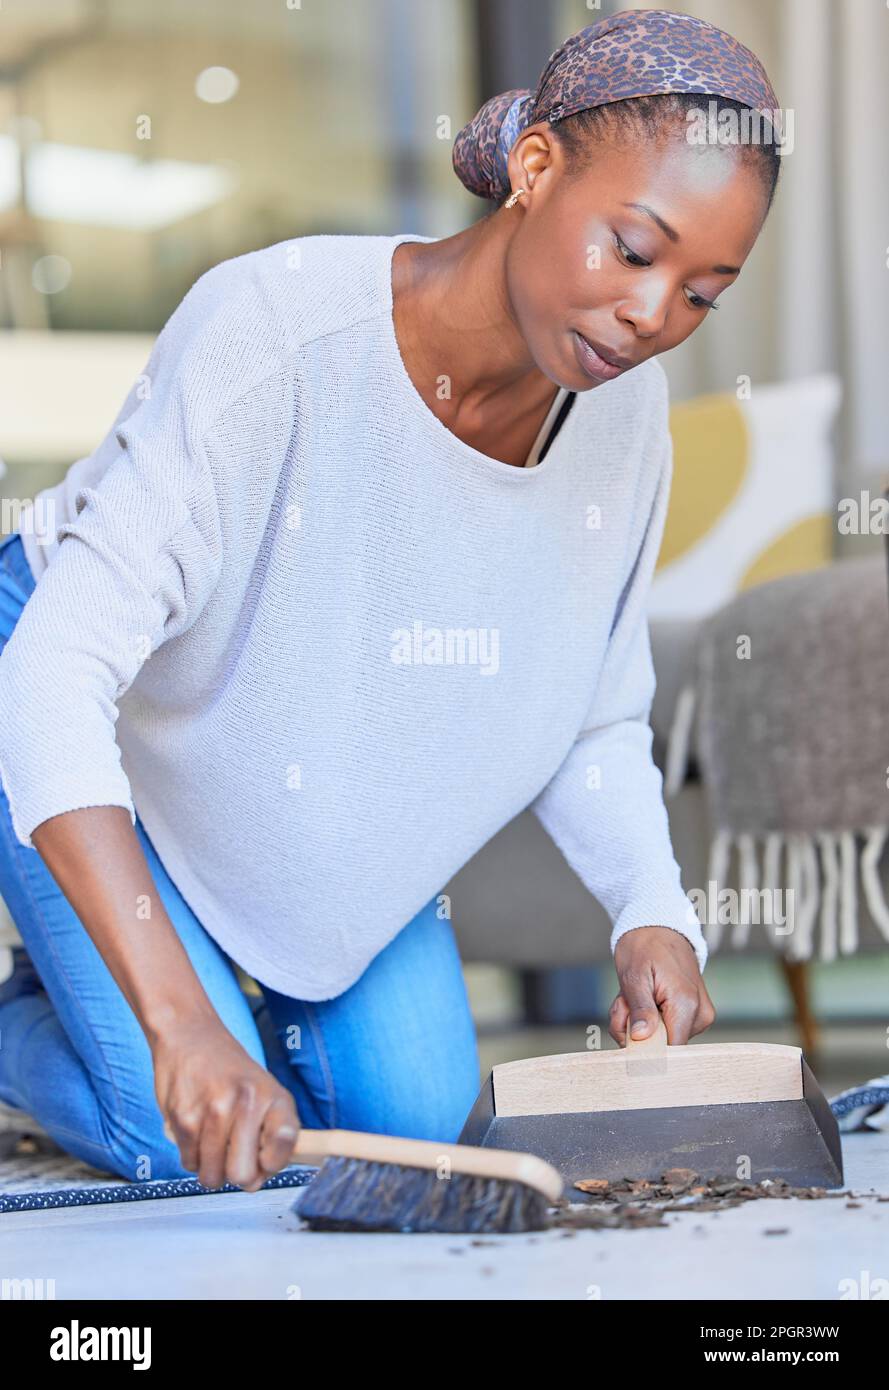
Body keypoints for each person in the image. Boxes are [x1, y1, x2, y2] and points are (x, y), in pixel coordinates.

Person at [0, 9, 781, 1192]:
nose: (653, 314)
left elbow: (588, 708)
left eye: (702, 294)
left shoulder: (624, 425)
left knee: (423, 1137)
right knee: (185, 1128)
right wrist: (182, 1030)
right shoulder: (276, 333)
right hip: (88, 695)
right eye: (632, 248)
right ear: (533, 170)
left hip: (300, 770)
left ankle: (106, 985)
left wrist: (649, 910)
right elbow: (57, 675)